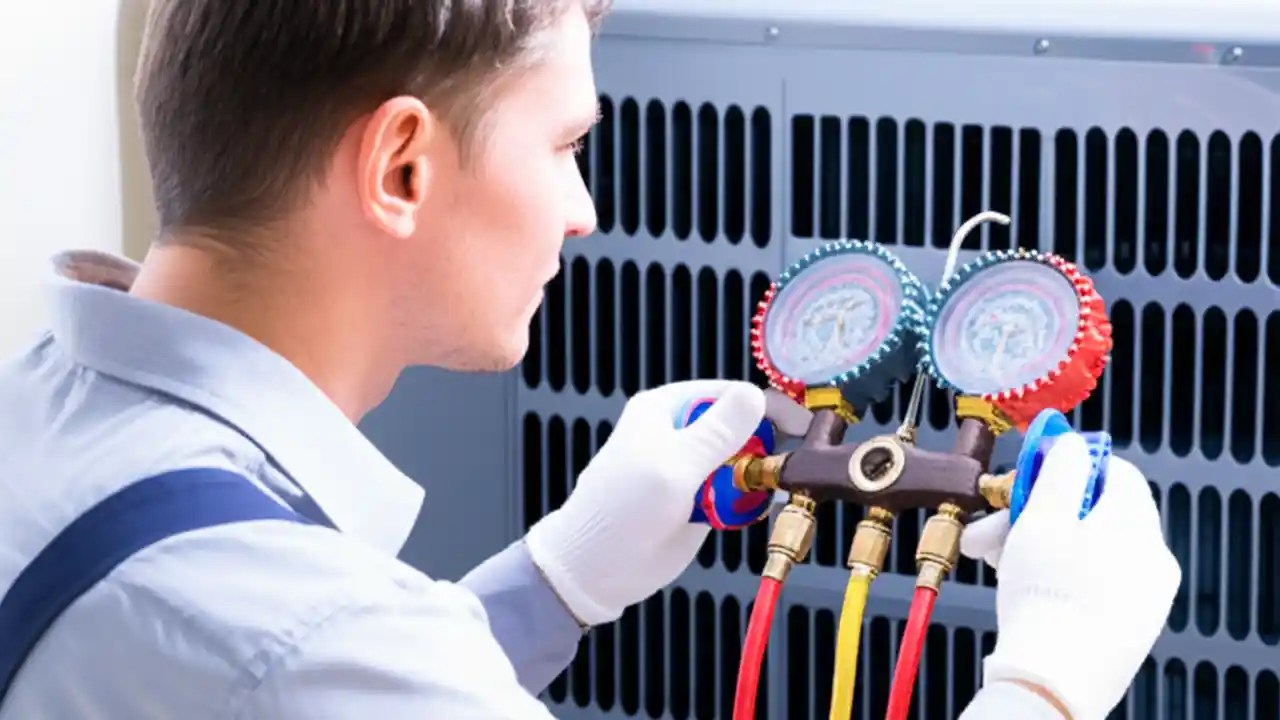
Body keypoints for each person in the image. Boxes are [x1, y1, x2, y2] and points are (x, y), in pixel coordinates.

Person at [0, 1, 1179, 718]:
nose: (584, 212)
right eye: (567, 144)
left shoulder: (36, 409)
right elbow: (311, 666)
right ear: (401, 167)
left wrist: (557, 579)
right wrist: (1046, 682)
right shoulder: (311, 641)